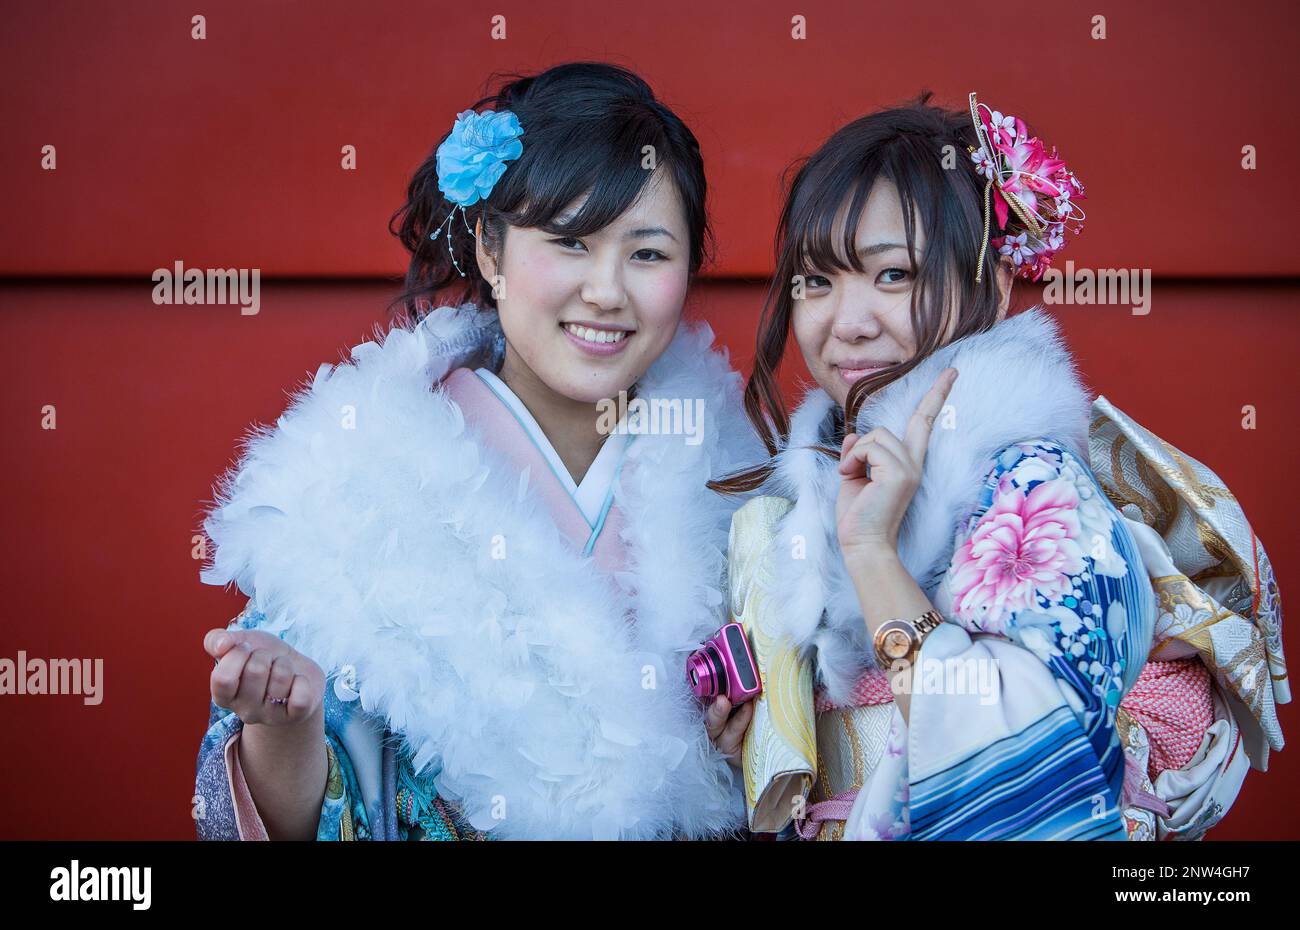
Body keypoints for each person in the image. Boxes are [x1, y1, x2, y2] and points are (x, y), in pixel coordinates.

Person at [193, 61, 761, 841]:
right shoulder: (362, 489)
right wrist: (287, 726)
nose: (607, 290)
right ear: (491, 252)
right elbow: (300, 818)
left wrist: (747, 757)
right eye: (569, 242)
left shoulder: (738, 479)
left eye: (648, 254)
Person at [712, 91, 1287, 840]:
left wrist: (873, 555)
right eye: (818, 281)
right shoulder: (814, 489)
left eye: (893, 276)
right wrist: (753, 754)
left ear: (993, 283)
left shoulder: (1034, 485)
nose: (845, 321)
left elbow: (1036, 778)